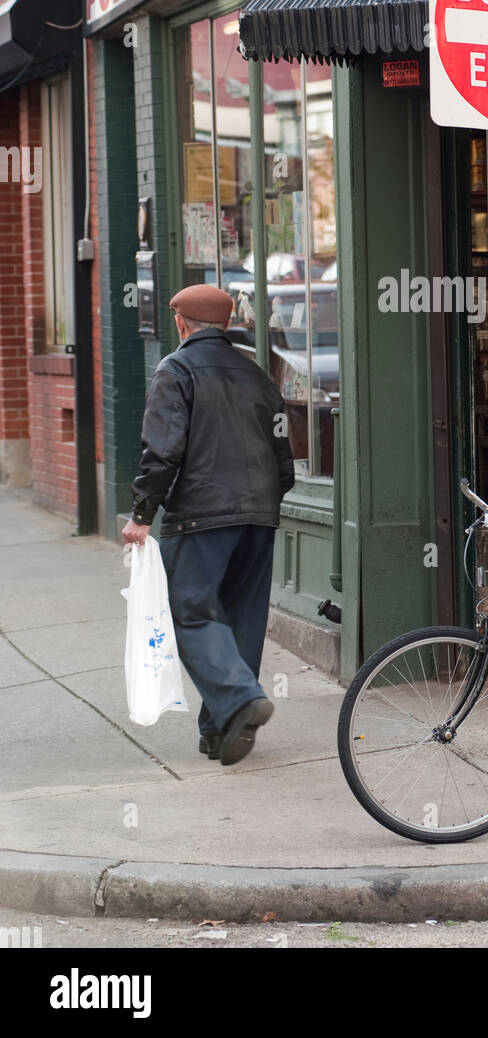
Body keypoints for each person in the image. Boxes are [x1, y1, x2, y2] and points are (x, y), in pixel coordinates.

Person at [122, 284, 295, 766]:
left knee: (191, 613)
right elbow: (284, 462)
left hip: (200, 515)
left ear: (181, 323)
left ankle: (240, 700)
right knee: (242, 617)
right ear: (225, 324)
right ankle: (222, 728)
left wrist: (141, 515)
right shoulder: (258, 375)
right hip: (259, 516)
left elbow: (162, 449)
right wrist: (261, 504)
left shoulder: (175, 370)